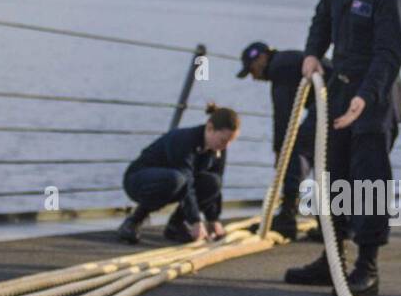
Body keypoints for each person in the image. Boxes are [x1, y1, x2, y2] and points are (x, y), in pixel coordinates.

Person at [284, 0, 401, 296]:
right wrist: (311, 52)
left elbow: (390, 52)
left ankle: (367, 267)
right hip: (338, 91)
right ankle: (332, 258)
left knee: (368, 182)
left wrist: (364, 97)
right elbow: (321, 21)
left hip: (375, 95)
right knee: (331, 175)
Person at [236, 40, 328, 240]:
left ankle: (286, 219)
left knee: (297, 153)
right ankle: (332, 225)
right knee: (325, 162)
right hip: (335, 102)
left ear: (261, 58)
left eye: (251, 70)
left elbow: (283, 116)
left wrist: (280, 151)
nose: (253, 77)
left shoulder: (280, 68)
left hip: (329, 104)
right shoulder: (288, 60)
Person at [116, 103, 240, 245]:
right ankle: (133, 222)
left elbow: (216, 183)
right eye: (223, 140)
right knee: (177, 179)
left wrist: (213, 220)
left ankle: (175, 225)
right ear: (210, 128)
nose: (226, 146)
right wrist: (196, 221)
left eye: (230, 141)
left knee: (213, 182)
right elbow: (187, 181)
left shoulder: (219, 148)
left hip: (175, 182)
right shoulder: (184, 140)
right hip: (139, 180)